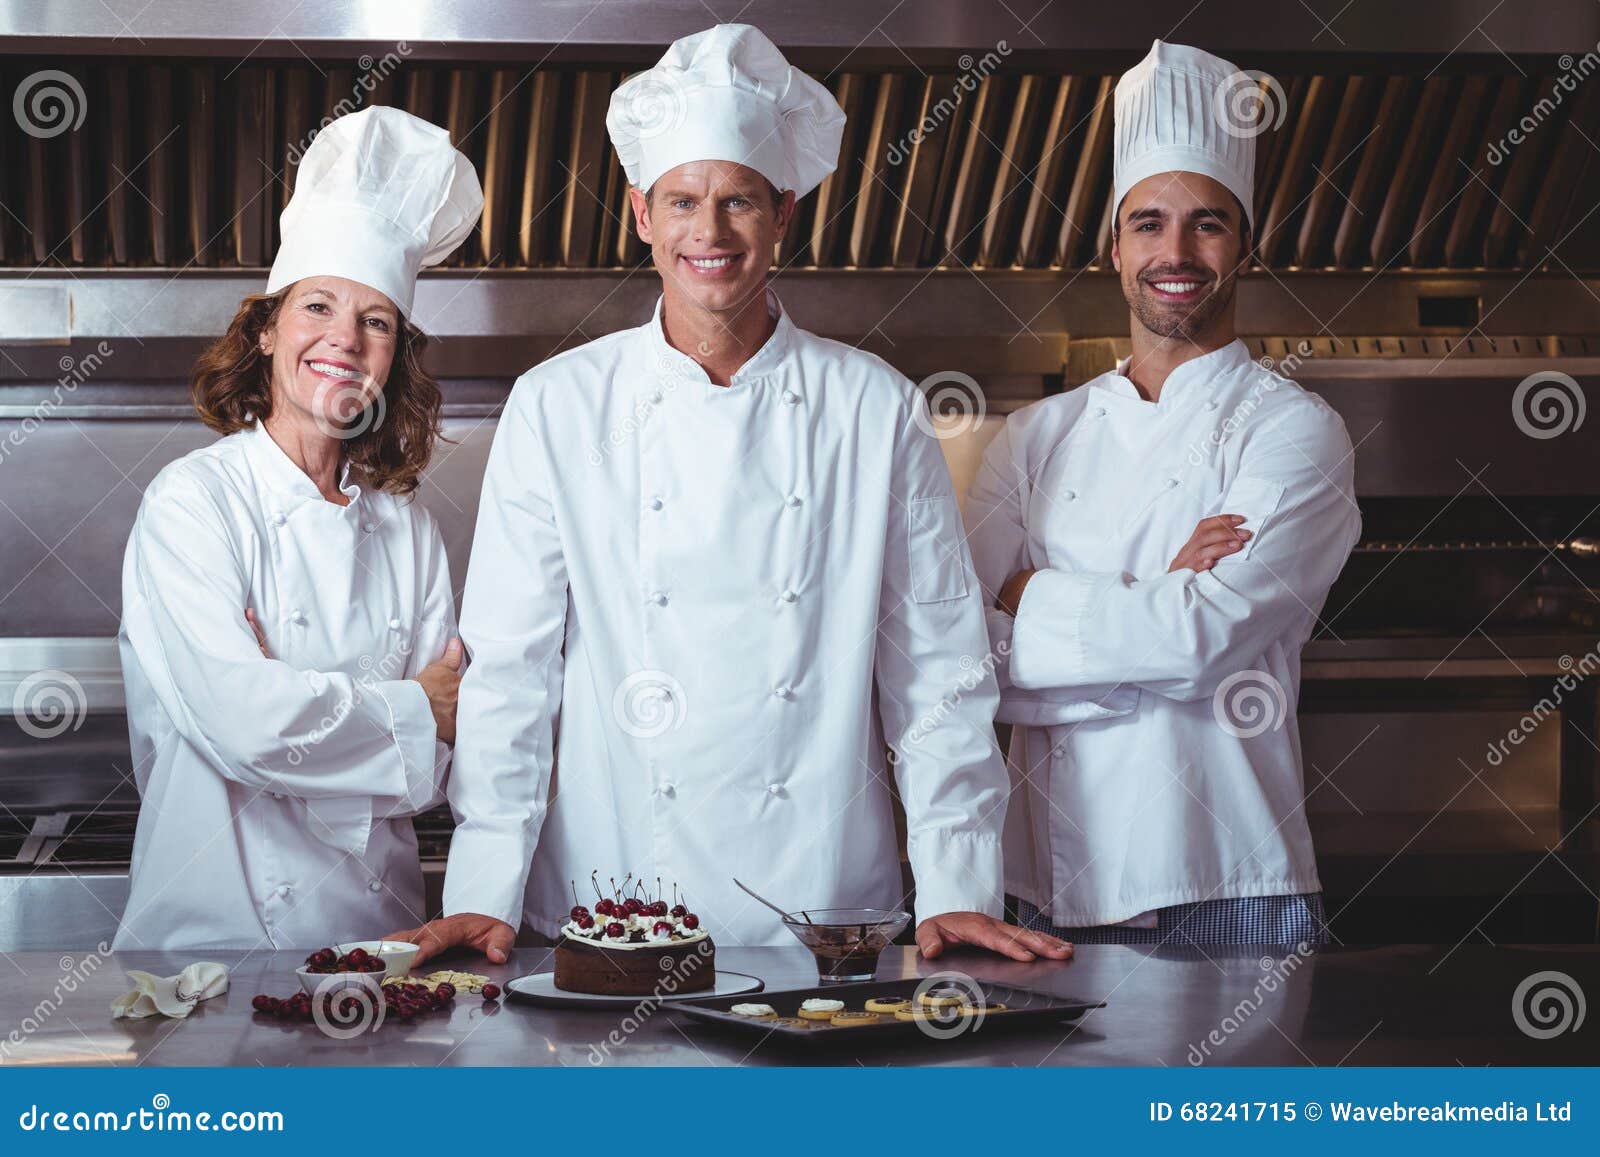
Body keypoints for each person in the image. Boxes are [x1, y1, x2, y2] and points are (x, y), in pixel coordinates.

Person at [388, 24, 1071, 966]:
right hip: (614, 907)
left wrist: (957, 884)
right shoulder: (558, 404)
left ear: (783, 213)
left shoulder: (874, 407)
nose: (708, 233)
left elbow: (938, 667)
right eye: (682, 201)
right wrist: (480, 886)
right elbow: (511, 675)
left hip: (823, 907)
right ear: (641, 215)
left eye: (738, 201)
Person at [965, 41, 1361, 947]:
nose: (1174, 252)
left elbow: (1202, 641)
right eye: (1148, 223)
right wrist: (1162, 600)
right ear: (1115, 247)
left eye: (1206, 224)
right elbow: (962, 657)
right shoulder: (1034, 435)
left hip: (1227, 886)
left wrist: (1028, 597)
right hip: (1038, 894)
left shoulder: (1293, 431)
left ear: (1245, 245)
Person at [113, 106, 483, 950]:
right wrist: (410, 708)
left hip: (380, 949)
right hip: (210, 946)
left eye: (376, 321)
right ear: (267, 327)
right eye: (318, 306)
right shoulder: (192, 503)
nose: (343, 340)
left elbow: (439, 764)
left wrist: (299, 703)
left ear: (394, 356)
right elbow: (248, 725)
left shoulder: (409, 529)